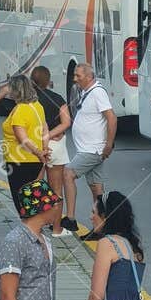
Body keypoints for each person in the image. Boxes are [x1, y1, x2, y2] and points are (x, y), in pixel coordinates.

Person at [64, 63, 117, 237]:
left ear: (89, 76)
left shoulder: (97, 92)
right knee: (96, 190)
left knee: (68, 173)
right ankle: (101, 228)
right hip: (88, 148)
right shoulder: (87, 92)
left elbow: (111, 118)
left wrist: (108, 144)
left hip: (92, 150)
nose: (75, 79)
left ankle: (70, 218)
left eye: (78, 75)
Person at [0, 74, 49, 221]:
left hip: (19, 162)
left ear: (16, 90)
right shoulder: (37, 106)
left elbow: (23, 139)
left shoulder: (19, 110)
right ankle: (36, 234)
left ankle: (30, 236)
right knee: (34, 202)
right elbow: (45, 129)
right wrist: (44, 150)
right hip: (36, 161)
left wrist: (39, 152)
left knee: (23, 204)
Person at [31, 65, 72, 235]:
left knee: (37, 188)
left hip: (35, 147)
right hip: (56, 145)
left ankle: (36, 226)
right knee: (56, 189)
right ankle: (56, 228)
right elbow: (66, 122)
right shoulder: (57, 98)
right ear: (48, 81)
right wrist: (51, 134)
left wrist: (41, 137)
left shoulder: (28, 101)